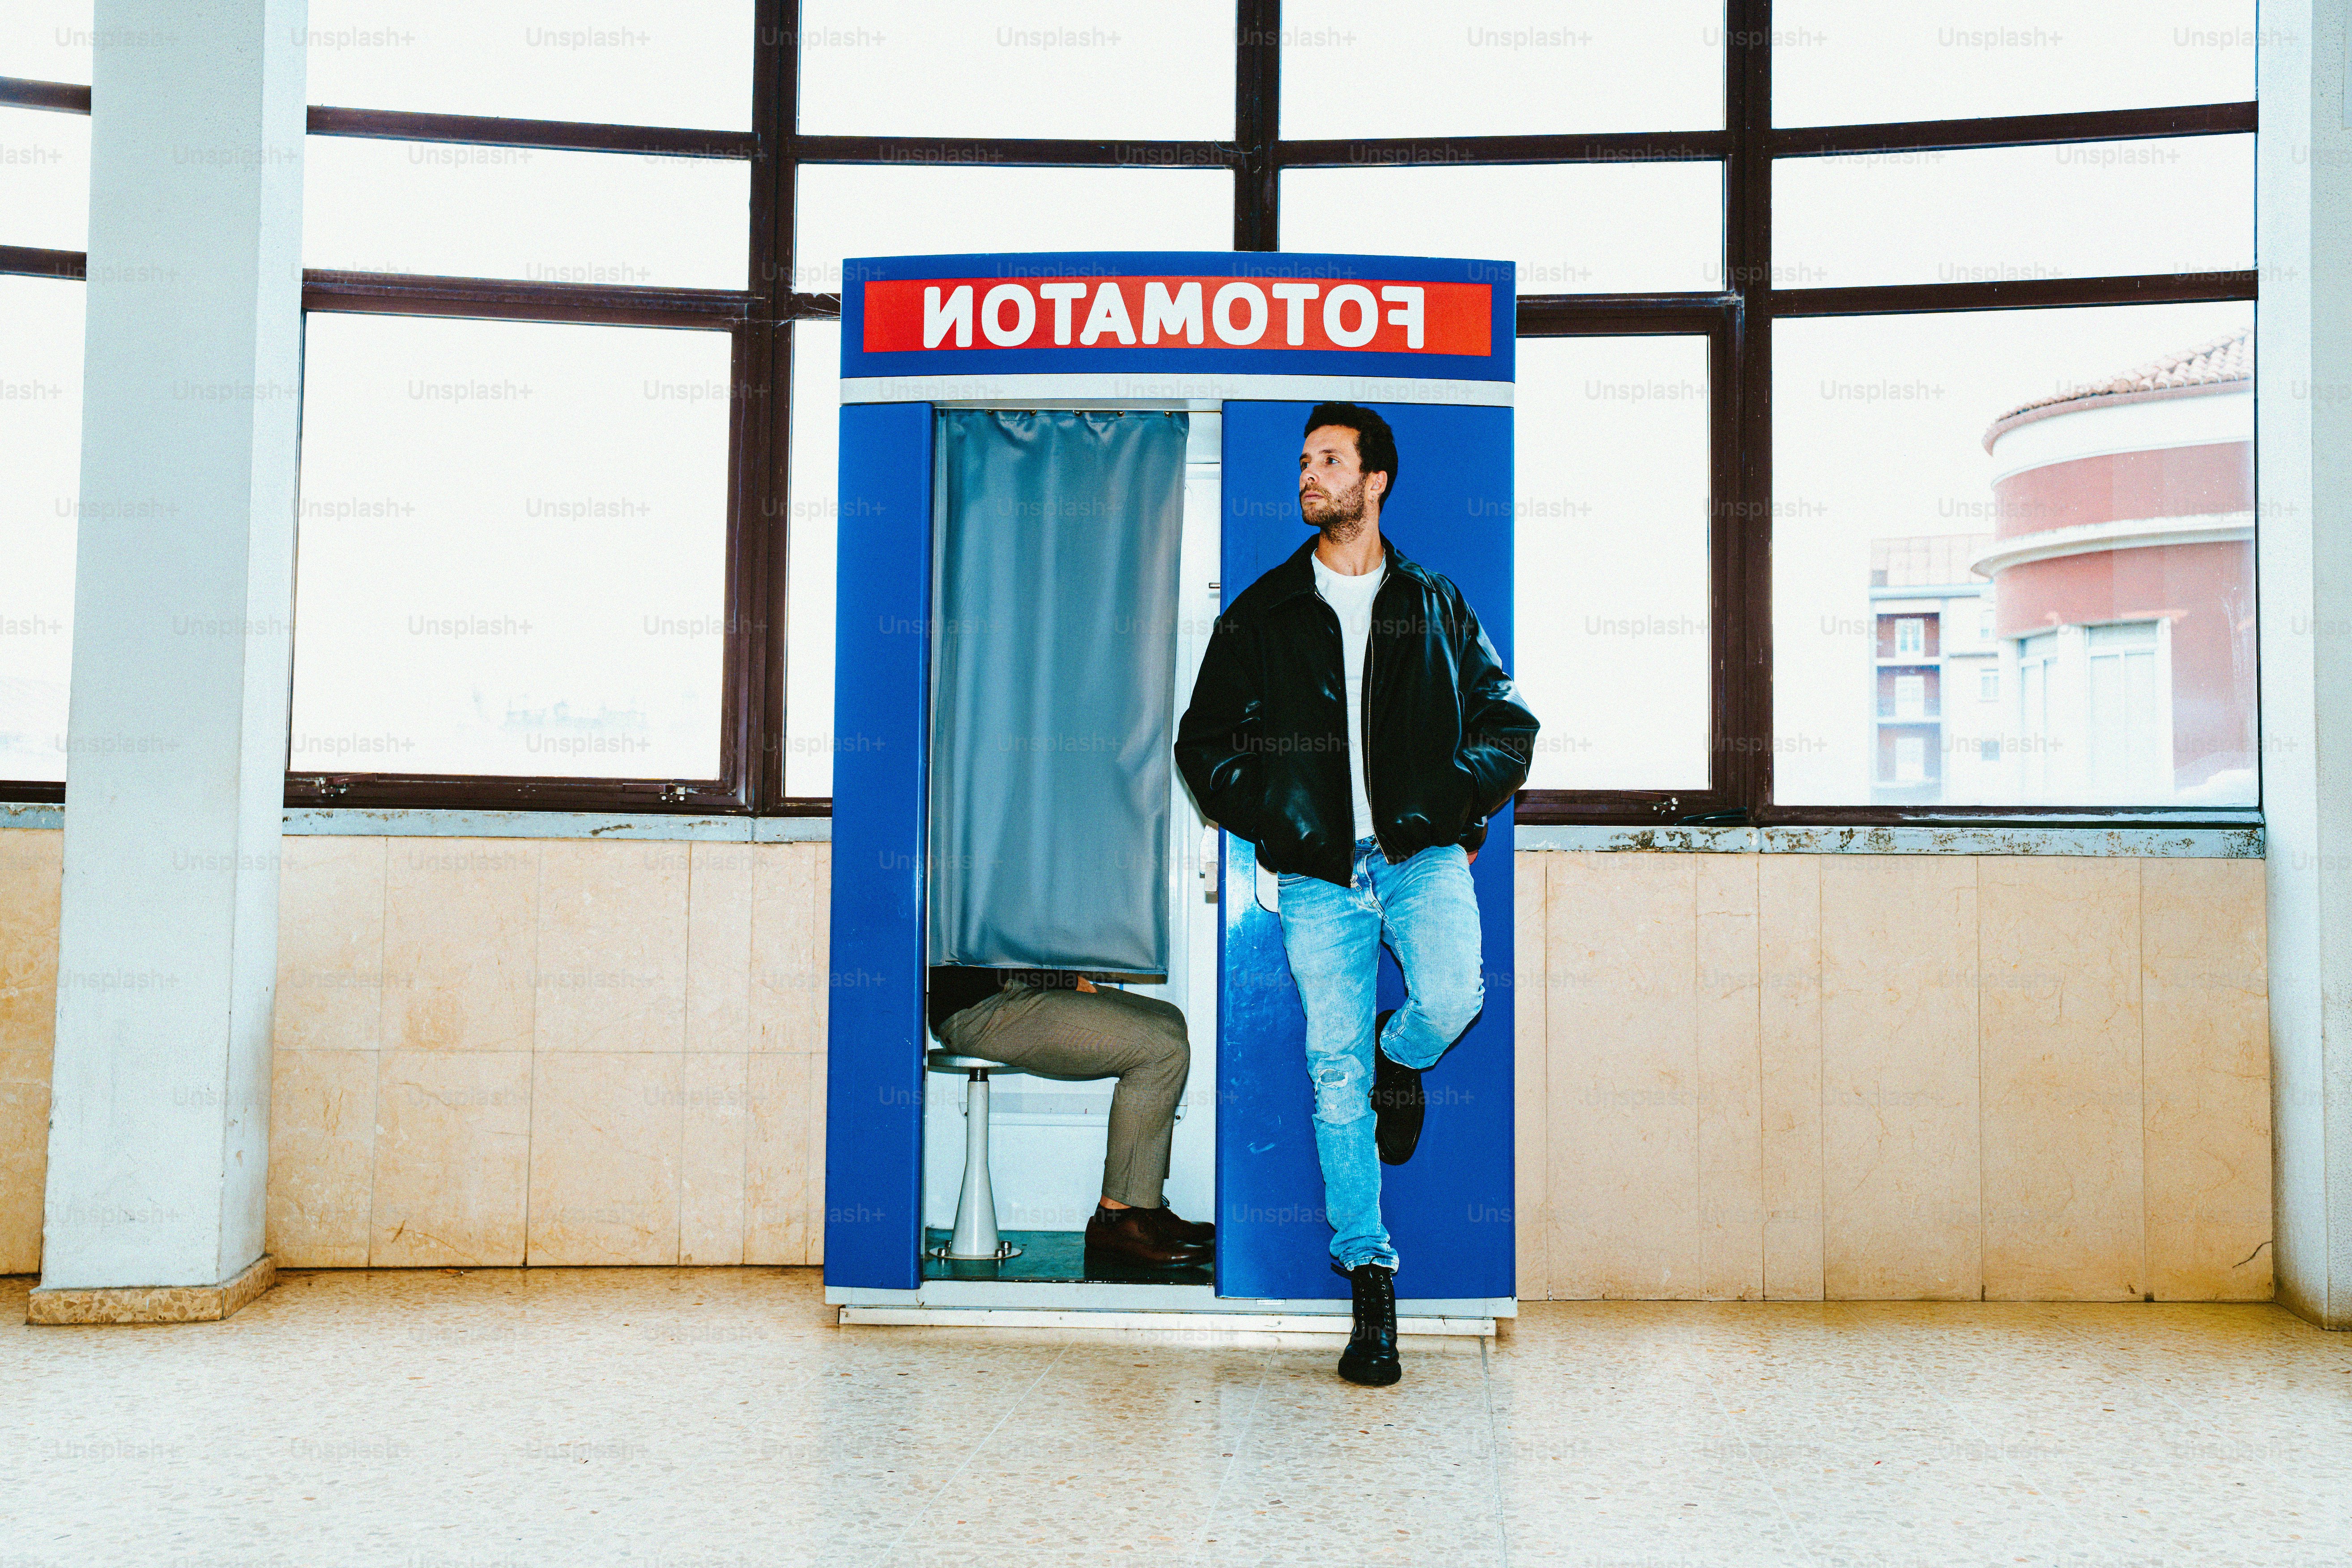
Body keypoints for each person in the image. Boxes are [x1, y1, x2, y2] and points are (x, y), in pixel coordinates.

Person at [1174, 402, 1538, 1386]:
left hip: (1419, 858)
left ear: (1375, 482)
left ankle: (1401, 1049)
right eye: (1304, 461)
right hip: (1320, 876)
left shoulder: (1435, 602)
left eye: (1329, 460)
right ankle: (1370, 1281)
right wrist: (1283, 822)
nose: (1309, 476)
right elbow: (1201, 748)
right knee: (1332, 1075)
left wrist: (1448, 812)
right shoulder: (1262, 612)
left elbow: (1508, 725)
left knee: (1454, 998)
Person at [926, 965, 1214, 1268]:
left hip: (1015, 984)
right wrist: (1056, 980)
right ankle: (1117, 1218)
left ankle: (1145, 1203)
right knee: (1162, 1048)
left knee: (1170, 1019)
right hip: (976, 1005)